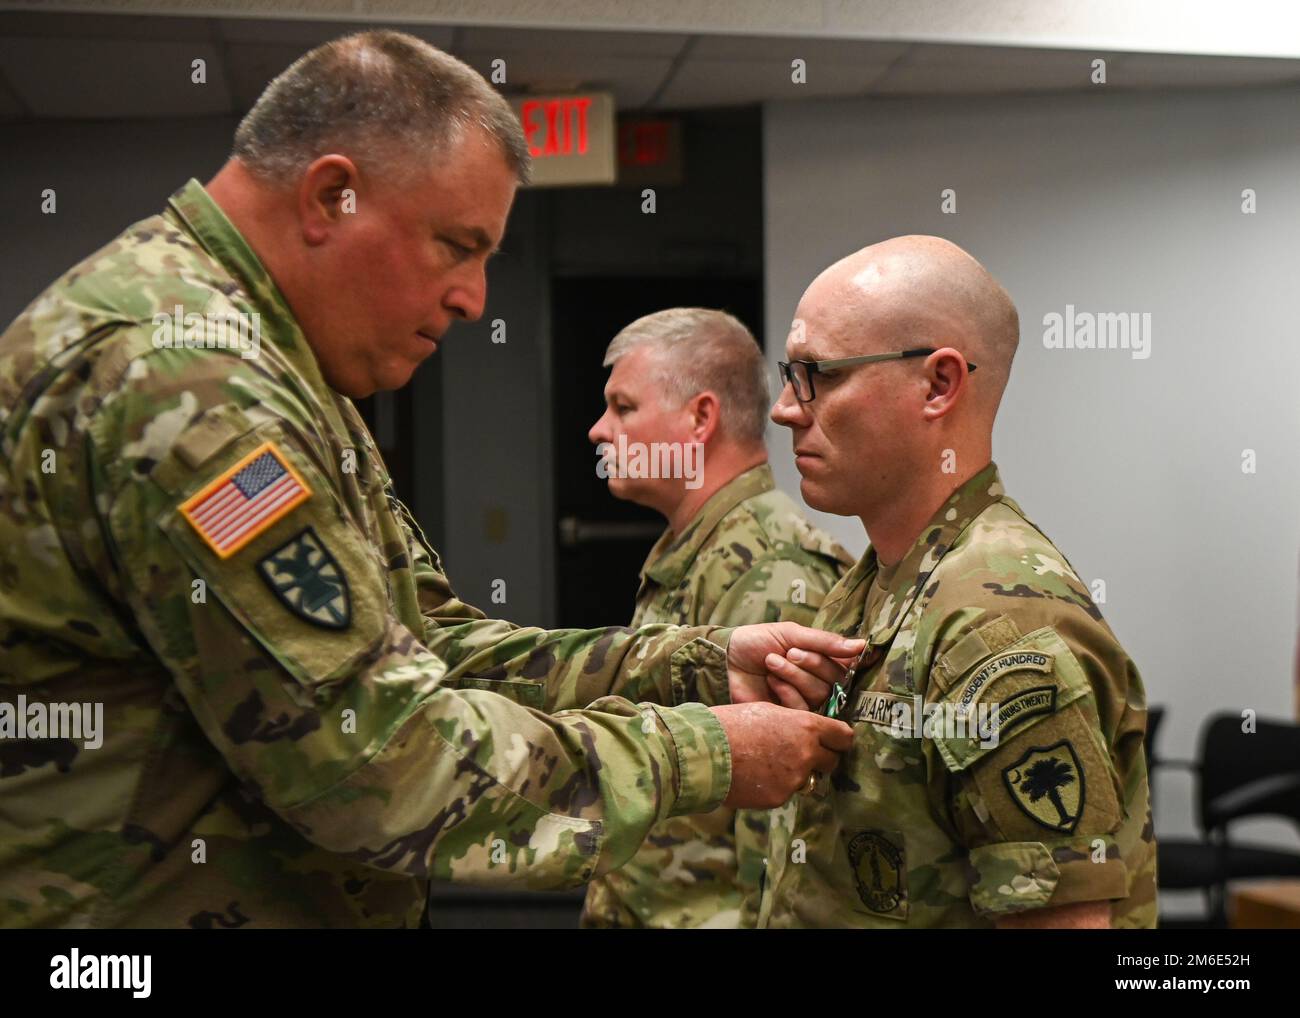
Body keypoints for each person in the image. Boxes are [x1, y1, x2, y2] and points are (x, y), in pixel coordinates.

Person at [0, 31, 861, 929]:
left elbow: (430, 648)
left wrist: (692, 667)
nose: (475, 299)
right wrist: (704, 755)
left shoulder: (284, 376)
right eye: (458, 246)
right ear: (332, 194)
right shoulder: (191, 384)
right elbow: (377, 760)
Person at [760, 235, 1156, 928]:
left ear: (939, 385)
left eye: (817, 373)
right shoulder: (880, 581)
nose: (787, 409)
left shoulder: (993, 623)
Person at [582, 308, 853, 928]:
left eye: (623, 408)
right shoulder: (702, 550)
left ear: (700, 419)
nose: (599, 430)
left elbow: (784, 828)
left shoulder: (772, 568)